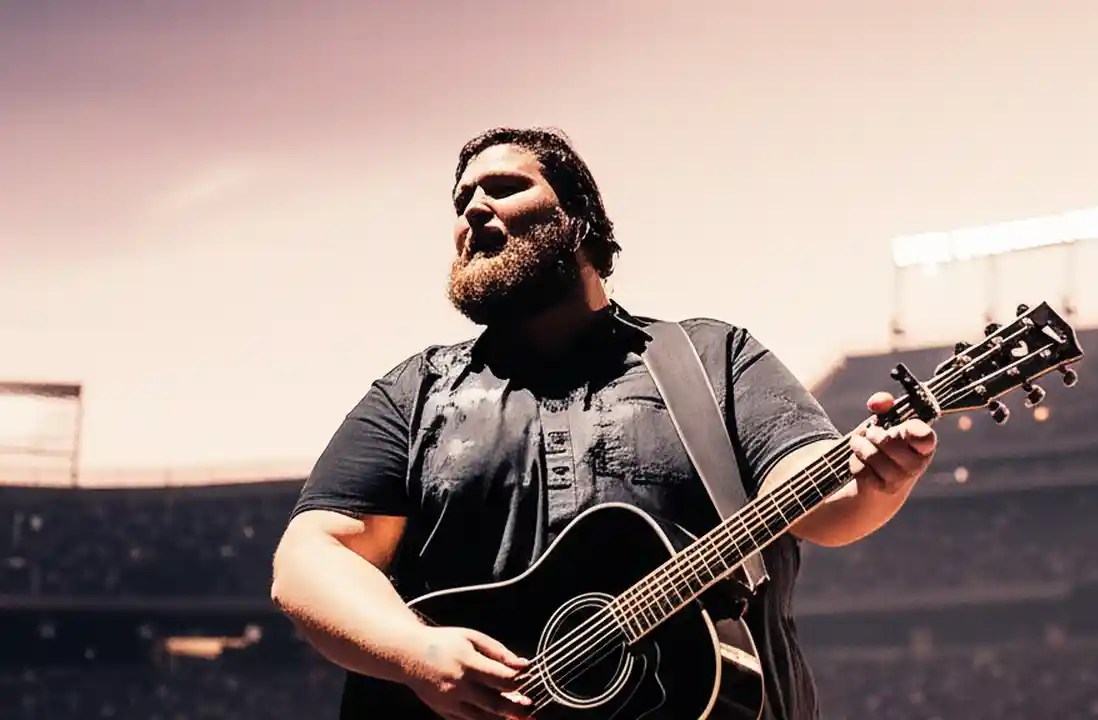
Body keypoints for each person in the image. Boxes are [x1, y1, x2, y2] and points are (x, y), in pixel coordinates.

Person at [271, 127, 937, 720]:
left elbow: (819, 498)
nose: (473, 208)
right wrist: (417, 653)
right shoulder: (413, 394)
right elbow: (311, 558)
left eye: (503, 187)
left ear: (581, 220)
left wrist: (876, 479)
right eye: (462, 200)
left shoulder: (713, 360)